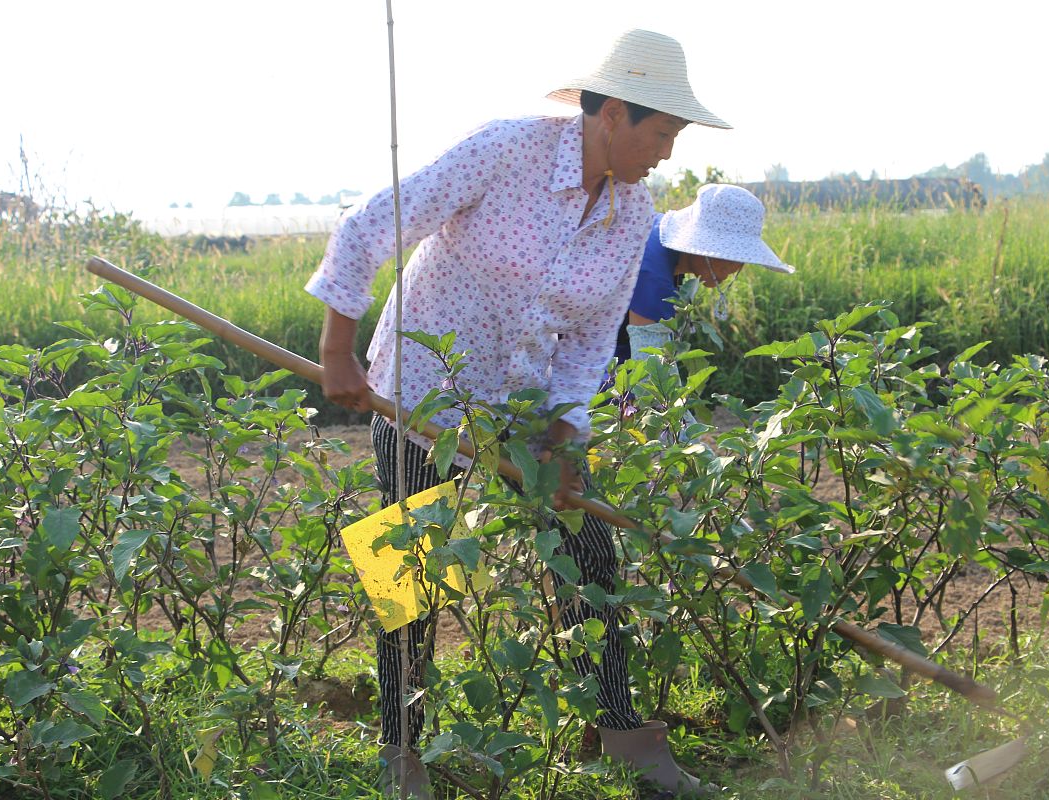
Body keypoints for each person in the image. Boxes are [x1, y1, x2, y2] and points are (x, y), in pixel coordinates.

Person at [305, 29, 728, 798]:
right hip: (423, 390)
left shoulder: (634, 211)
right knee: (412, 571)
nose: (667, 152)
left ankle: (625, 742)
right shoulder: (504, 152)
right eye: (662, 131)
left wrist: (565, 436)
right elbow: (372, 224)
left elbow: (595, 335)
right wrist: (339, 347)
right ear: (613, 116)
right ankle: (401, 752)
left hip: (528, 412)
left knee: (593, 558)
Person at [616, 182, 793, 372]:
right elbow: (649, 369)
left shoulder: (665, 251)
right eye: (732, 256)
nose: (737, 267)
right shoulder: (652, 271)